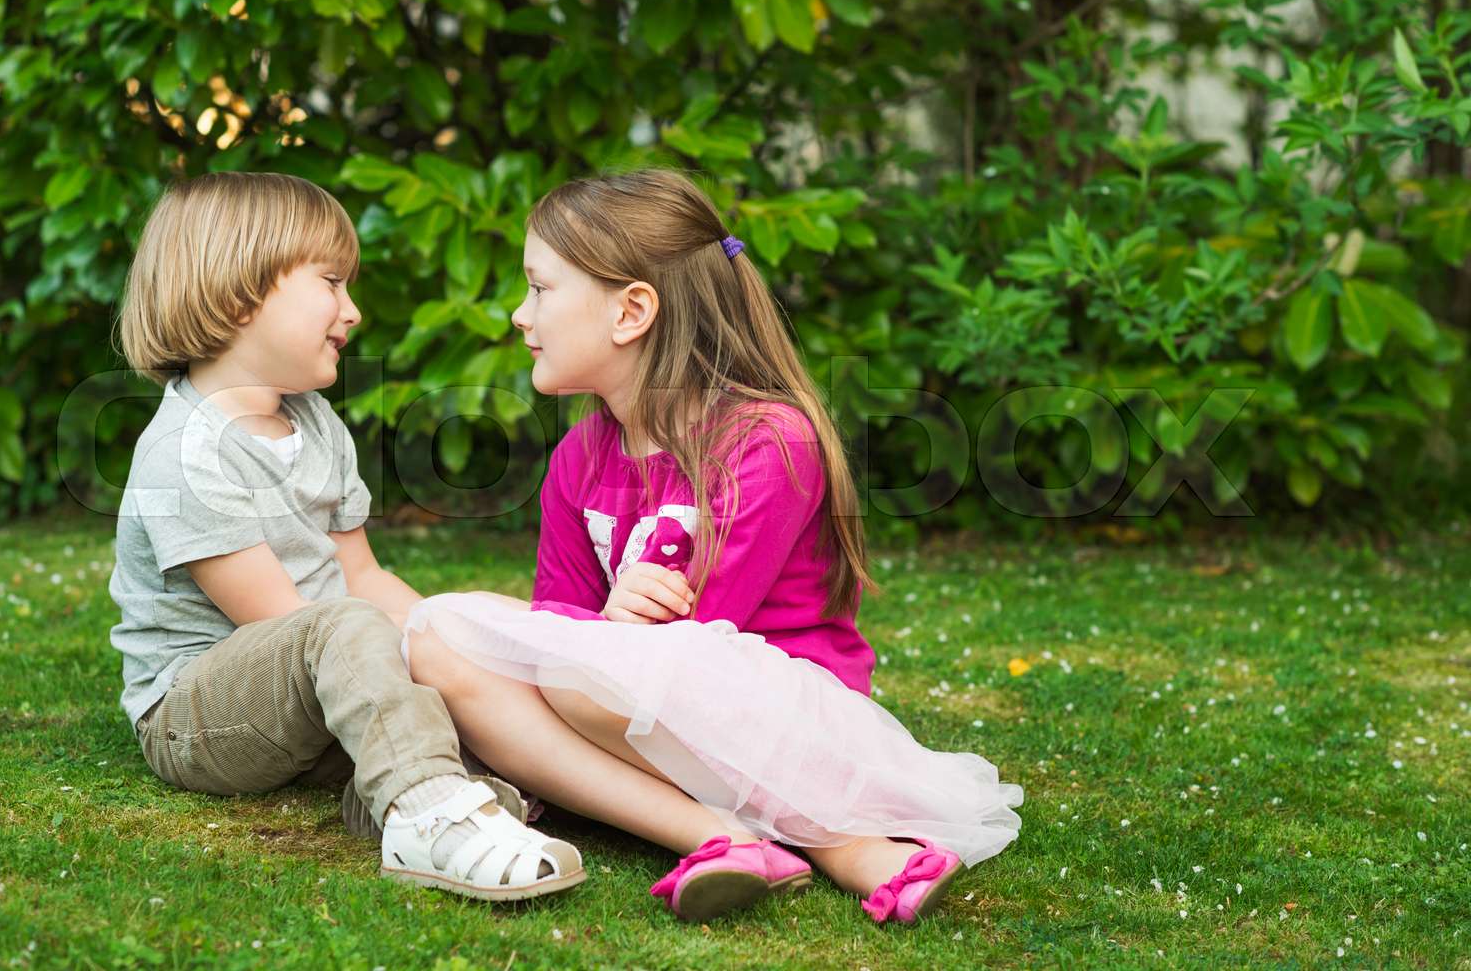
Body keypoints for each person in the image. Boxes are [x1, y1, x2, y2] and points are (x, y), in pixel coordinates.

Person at [404, 168, 1023, 923]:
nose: (518, 314)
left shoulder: (767, 442)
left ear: (631, 311)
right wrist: (606, 619)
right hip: (644, 708)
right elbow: (556, 622)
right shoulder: (576, 461)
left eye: (540, 289)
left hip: (790, 724)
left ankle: (841, 843)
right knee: (437, 639)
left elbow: (695, 636)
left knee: (570, 680)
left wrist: (602, 631)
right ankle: (725, 839)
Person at [107, 171, 583, 901]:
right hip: (198, 715)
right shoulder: (187, 452)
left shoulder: (314, 424)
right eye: (332, 282)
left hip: (318, 679)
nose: (352, 310)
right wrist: (412, 662)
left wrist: (447, 641)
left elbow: (362, 576)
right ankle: (427, 815)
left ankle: (395, 797)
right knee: (355, 636)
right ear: (240, 296)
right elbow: (284, 622)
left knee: (436, 643)